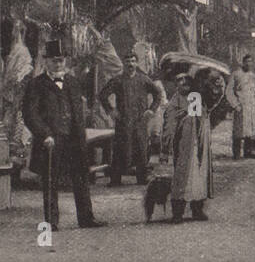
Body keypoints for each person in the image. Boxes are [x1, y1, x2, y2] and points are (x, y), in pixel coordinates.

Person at [22, 38, 106, 229]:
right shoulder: (36, 84)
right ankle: (51, 222)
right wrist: (44, 135)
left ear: (65, 61)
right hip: (51, 139)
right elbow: (30, 114)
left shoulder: (73, 82)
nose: (58, 63)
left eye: (61, 60)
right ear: (46, 62)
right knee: (50, 180)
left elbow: (78, 110)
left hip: (74, 138)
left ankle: (86, 218)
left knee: (81, 178)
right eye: (54, 60)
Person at [98, 51, 162, 186]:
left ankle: (142, 178)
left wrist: (151, 110)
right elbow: (103, 95)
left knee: (141, 148)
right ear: (123, 63)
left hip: (140, 120)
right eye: (127, 62)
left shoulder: (144, 79)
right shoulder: (118, 80)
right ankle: (115, 179)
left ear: (137, 63)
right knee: (120, 148)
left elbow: (158, 94)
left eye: (133, 61)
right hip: (123, 120)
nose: (130, 64)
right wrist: (111, 110)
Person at [161, 71, 214, 223]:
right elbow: (169, 124)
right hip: (183, 145)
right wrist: (166, 148)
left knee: (198, 175)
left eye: (187, 80)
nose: (184, 83)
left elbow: (201, 117)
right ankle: (177, 212)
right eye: (180, 80)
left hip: (198, 145)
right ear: (176, 84)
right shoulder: (174, 101)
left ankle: (197, 209)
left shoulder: (196, 97)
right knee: (182, 176)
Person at [225, 54, 255, 159]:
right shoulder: (236, 74)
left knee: (250, 129)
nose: (249, 64)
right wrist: (235, 104)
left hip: (251, 106)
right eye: (247, 61)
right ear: (243, 62)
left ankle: (248, 151)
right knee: (239, 130)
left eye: (251, 61)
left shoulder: (253, 76)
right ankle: (236, 153)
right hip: (241, 106)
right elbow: (229, 91)